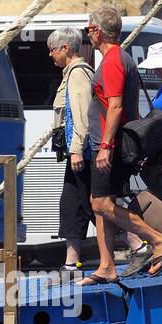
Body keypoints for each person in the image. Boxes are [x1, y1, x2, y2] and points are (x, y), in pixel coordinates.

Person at [80, 8, 162, 284]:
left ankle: (158, 240)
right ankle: (107, 265)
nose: (88, 34)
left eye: (89, 29)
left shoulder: (112, 61)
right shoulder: (120, 59)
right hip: (114, 142)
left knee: (99, 203)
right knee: (103, 203)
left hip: (111, 143)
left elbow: (116, 106)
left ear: (97, 31)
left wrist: (106, 146)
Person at [48, 27, 94, 272]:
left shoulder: (77, 75)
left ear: (65, 48)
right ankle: (71, 261)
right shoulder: (71, 74)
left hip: (83, 154)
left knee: (95, 206)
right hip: (78, 153)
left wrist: (76, 149)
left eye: (53, 50)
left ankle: (139, 243)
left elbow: (82, 116)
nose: (51, 55)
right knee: (71, 205)